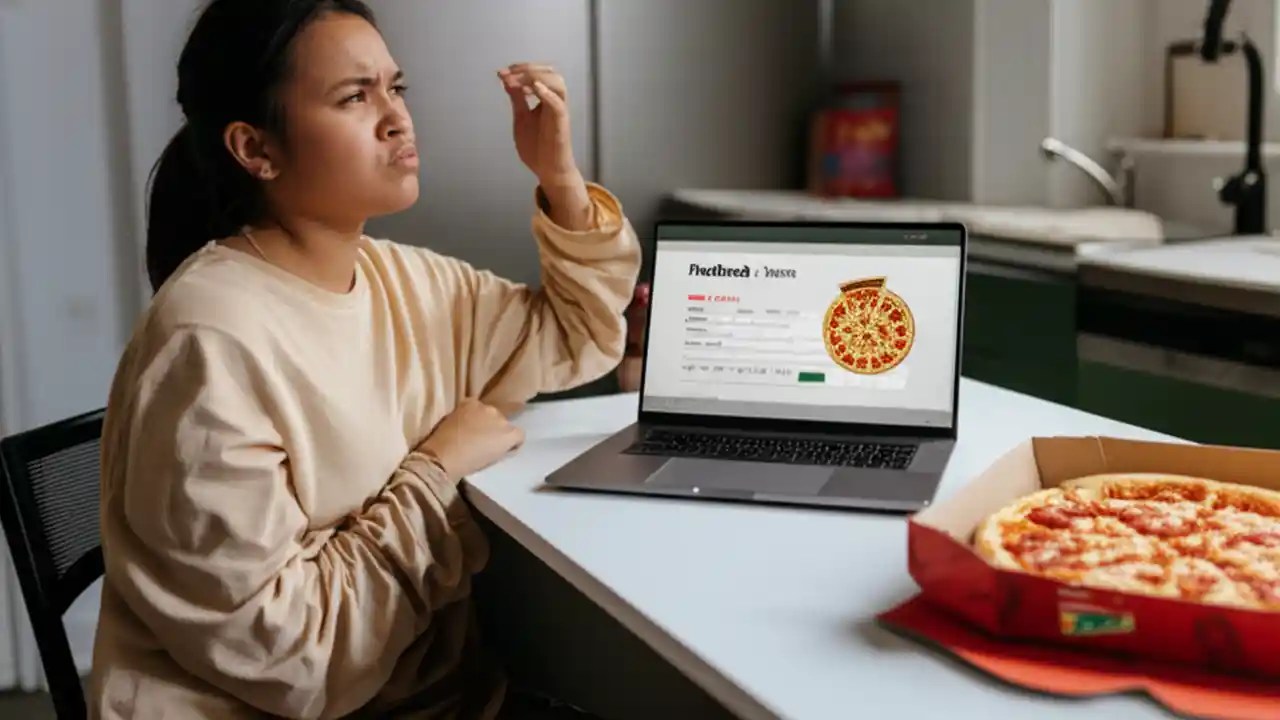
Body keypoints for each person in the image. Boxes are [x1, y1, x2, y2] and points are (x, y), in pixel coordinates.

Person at [88, 1, 639, 718]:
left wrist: (559, 176)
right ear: (256, 149)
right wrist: (437, 472)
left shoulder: (398, 279)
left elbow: (577, 335)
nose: (396, 118)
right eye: (354, 96)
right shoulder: (210, 341)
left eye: (395, 88)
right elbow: (289, 657)